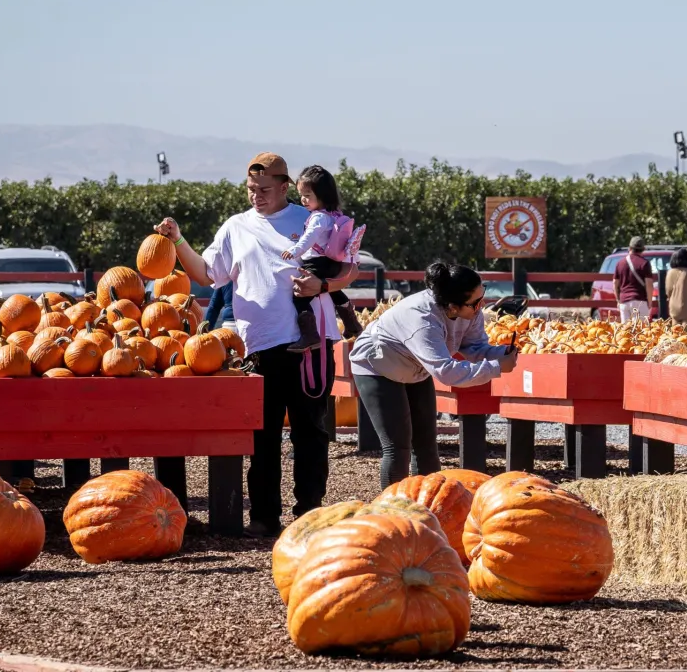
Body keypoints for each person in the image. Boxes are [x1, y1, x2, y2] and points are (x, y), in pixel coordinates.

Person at [153, 152, 358, 539]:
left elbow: (350, 266)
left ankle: (309, 515)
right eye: (251, 190)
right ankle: (264, 517)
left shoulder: (312, 217)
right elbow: (206, 273)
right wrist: (177, 239)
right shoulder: (236, 227)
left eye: (264, 190)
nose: (256, 197)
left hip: (310, 342)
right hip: (259, 346)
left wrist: (324, 286)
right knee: (261, 434)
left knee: (310, 432)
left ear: (285, 187)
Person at [349, 262, 518, 488]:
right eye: (476, 303)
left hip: (416, 368)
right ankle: (390, 511)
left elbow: (473, 346)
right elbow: (446, 373)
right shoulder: (422, 319)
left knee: (426, 443)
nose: (481, 306)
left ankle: (429, 506)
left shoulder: (470, 309)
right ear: (452, 307)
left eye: (482, 295)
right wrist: (496, 368)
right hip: (377, 364)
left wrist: (500, 353)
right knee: (397, 446)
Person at [280, 165, 364, 351]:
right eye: (301, 194)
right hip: (332, 263)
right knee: (334, 291)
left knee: (299, 296)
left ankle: (310, 335)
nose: (303, 200)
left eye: (307, 195)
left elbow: (309, 238)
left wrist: (295, 251)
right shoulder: (335, 215)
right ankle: (352, 324)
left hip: (316, 263)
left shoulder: (318, 218)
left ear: (323, 195)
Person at [613, 237, 654, 322]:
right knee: (640, 331)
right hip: (640, 301)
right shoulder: (644, 263)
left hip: (624, 301)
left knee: (626, 332)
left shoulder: (620, 263)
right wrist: (650, 302)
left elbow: (615, 283)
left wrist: (618, 300)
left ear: (629, 248)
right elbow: (649, 285)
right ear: (643, 249)